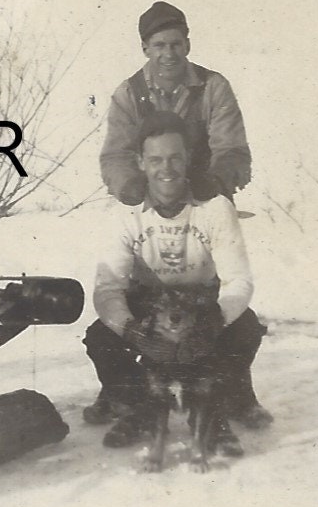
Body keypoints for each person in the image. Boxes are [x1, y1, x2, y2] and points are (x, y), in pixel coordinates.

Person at [83, 110, 272, 454]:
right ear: (141, 162)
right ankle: (139, 409)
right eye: (156, 160)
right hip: (149, 303)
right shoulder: (123, 213)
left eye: (174, 158)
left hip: (200, 302)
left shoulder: (215, 207)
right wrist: (133, 331)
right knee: (101, 338)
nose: (166, 169)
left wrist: (213, 323)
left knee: (244, 329)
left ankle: (217, 411)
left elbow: (238, 280)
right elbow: (108, 288)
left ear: (188, 159)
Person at [99, 1, 252, 205]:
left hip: (207, 199)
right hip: (149, 203)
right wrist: (129, 185)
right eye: (159, 46)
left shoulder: (213, 87)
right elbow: (115, 156)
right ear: (145, 49)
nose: (169, 54)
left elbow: (232, 149)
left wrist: (216, 181)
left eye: (176, 44)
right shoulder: (128, 94)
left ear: (187, 45)